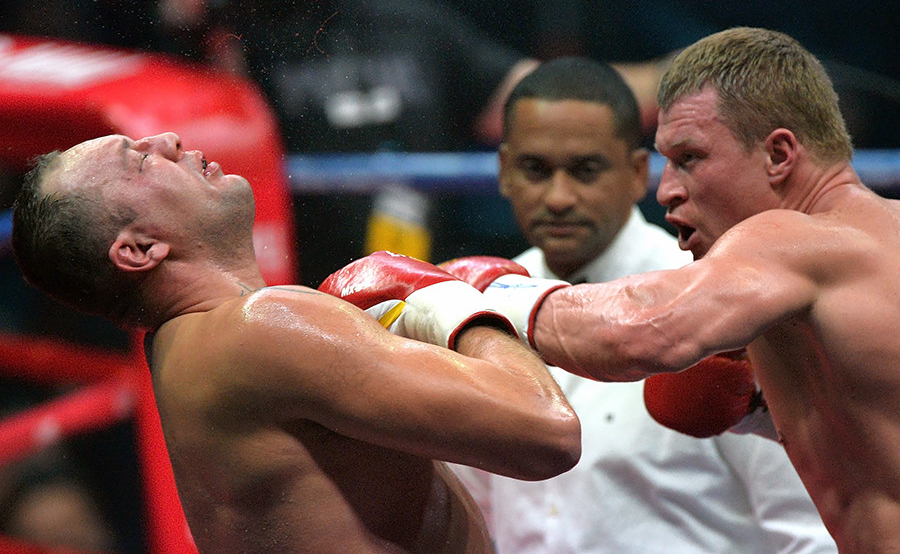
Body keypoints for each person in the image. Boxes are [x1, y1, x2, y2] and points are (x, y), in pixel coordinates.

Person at [435, 28, 900, 552]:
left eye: (690, 158)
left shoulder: (791, 240)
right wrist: (762, 413)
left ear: (779, 155)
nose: (666, 189)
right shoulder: (865, 253)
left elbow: (640, 334)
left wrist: (466, 295)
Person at [10, 131, 581, 554]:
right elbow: (545, 432)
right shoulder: (260, 329)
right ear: (138, 249)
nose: (167, 140)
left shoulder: (189, 350)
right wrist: (459, 301)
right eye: (139, 161)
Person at [116, 0, 664, 286]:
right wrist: (192, 34)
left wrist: (693, 75)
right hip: (279, 304)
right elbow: (175, 160)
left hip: (419, 302)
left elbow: (562, 101)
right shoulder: (222, 28)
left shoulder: (412, 25)